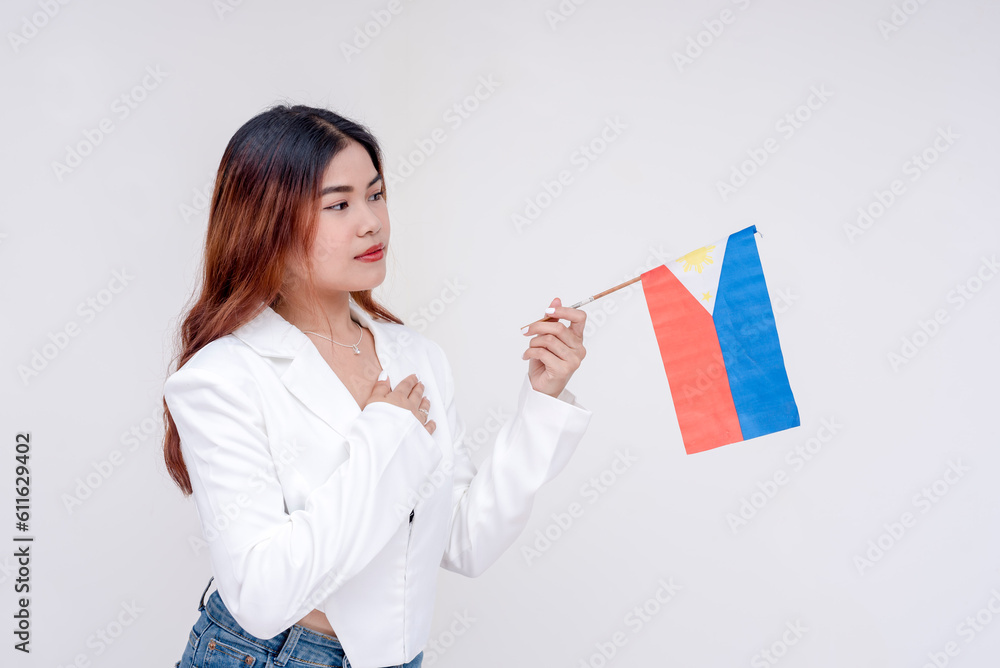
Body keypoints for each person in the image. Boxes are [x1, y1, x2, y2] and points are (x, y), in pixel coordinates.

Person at [161, 104, 593, 668]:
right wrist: (385, 432)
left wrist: (543, 401)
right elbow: (263, 597)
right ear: (267, 223)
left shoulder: (416, 356)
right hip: (268, 655)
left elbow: (464, 541)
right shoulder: (220, 380)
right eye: (338, 204)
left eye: (376, 194)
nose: (371, 222)